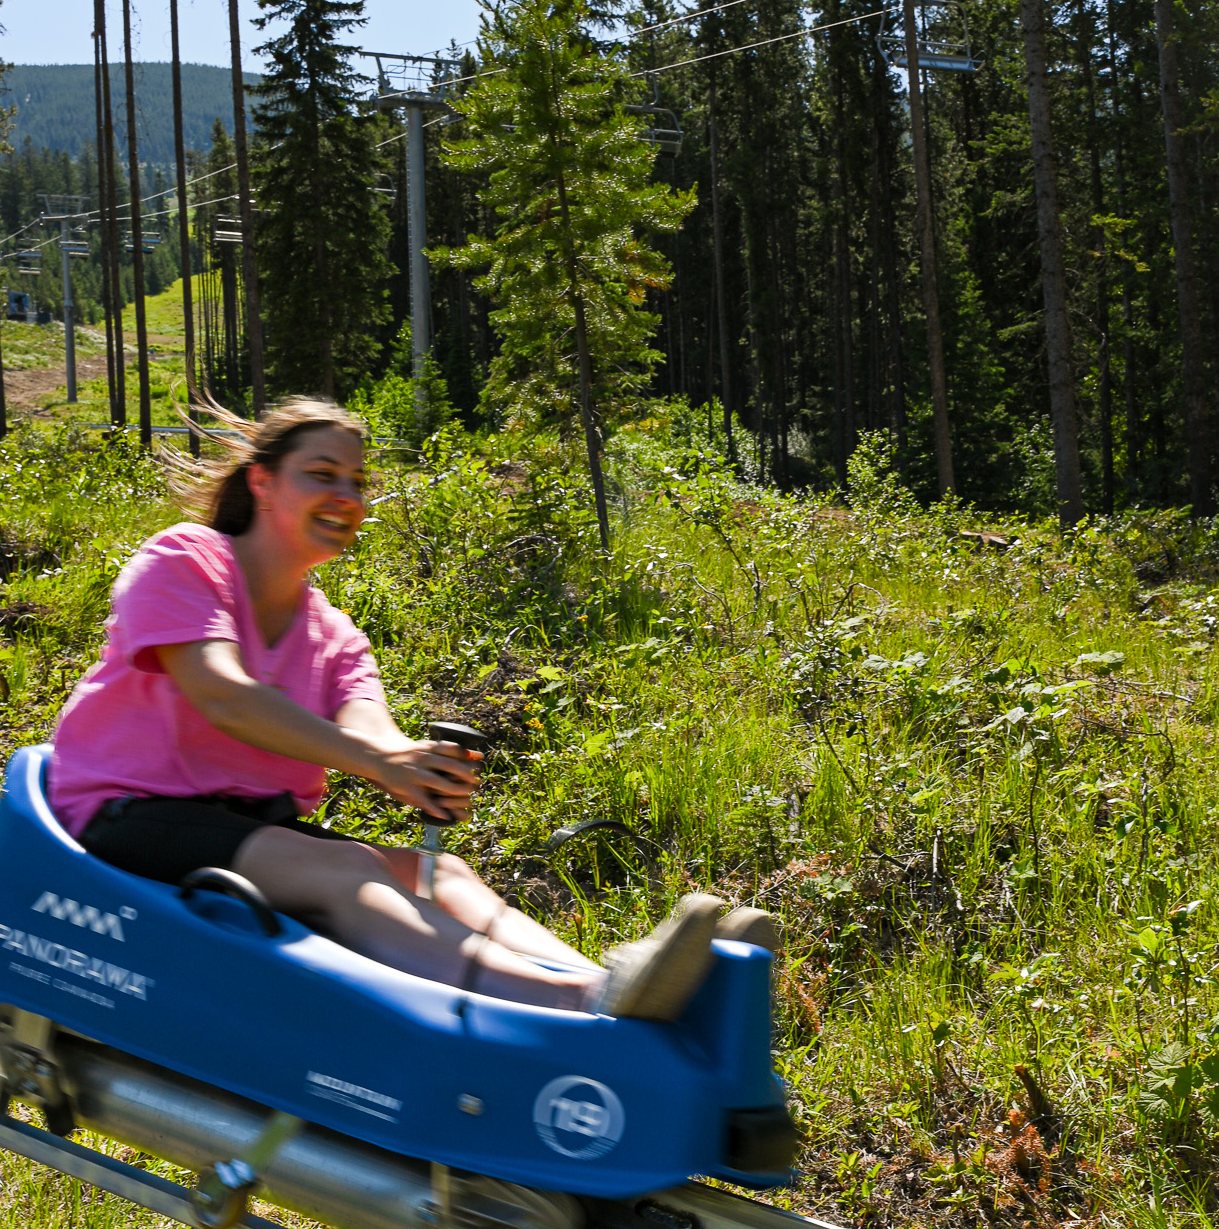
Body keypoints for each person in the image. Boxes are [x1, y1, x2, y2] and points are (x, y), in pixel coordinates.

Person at [47, 398, 771, 1017]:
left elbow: (368, 726)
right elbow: (223, 695)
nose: (347, 496)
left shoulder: (332, 632)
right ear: (263, 482)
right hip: (130, 811)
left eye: (358, 482)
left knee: (444, 876)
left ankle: (611, 985)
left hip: (245, 826)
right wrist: (377, 760)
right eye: (322, 475)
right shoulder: (186, 561)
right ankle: (588, 1003)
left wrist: (409, 766)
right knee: (346, 877)